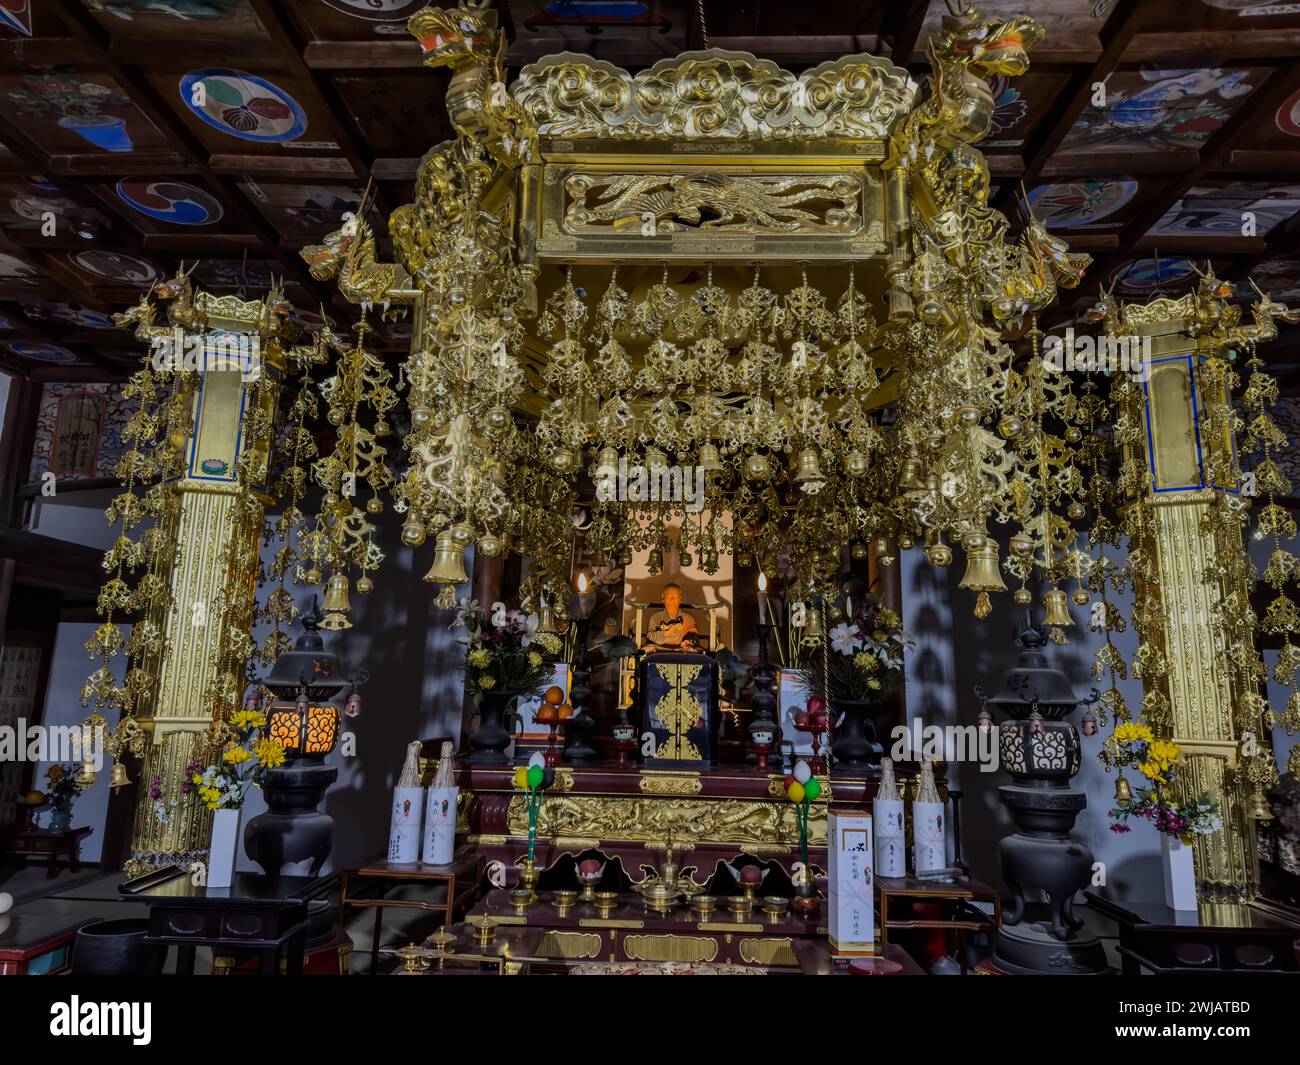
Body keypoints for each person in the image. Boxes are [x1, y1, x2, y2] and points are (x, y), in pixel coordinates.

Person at [643, 582, 702, 652]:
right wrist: (666, 633)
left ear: (680, 599)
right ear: (663, 598)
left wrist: (688, 642)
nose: (672, 600)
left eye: (675, 597)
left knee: (695, 650)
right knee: (645, 649)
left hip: (681, 648)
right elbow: (650, 637)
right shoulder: (655, 617)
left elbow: (694, 636)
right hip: (659, 648)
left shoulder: (688, 618)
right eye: (668, 597)